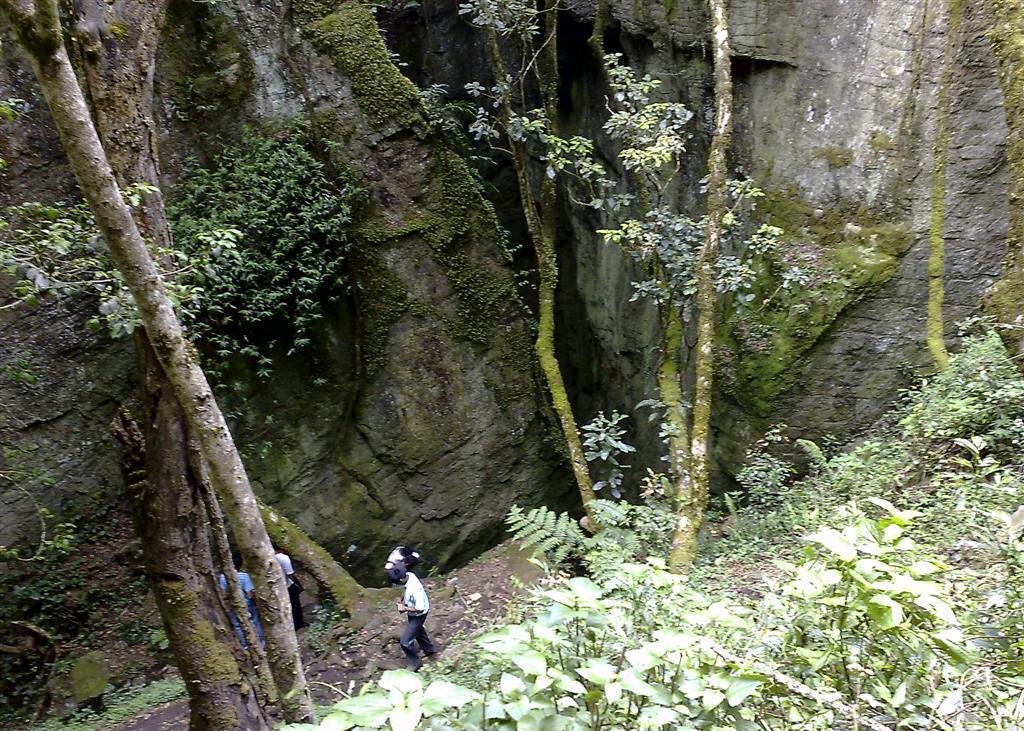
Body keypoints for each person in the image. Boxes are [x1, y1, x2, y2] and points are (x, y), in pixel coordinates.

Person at [388, 565, 435, 671]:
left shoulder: (414, 589)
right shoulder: (409, 575)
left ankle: (416, 662)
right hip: (415, 613)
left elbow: (420, 608)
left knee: (405, 642)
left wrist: (404, 608)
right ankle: (429, 650)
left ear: (401, 579)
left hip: (419, 615)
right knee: (418, 632)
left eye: (396, 582)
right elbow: (406, 590)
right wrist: (401, 599)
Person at [219, 552, 266, 648]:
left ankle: (245, 645)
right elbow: (249, 594)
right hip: (247, 604)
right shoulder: (244, 576)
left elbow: (223, 594)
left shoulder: (222, 577)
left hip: (233, 605)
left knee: (237, 626)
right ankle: (261, 644)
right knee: (254, 622)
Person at [275, 547, 306, 630]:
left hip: (276, 588)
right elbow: (290, 574)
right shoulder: (284, 558)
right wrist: (299, 585)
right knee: (295, 604)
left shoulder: (269, 558)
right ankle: (298, 625)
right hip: (286, 586)